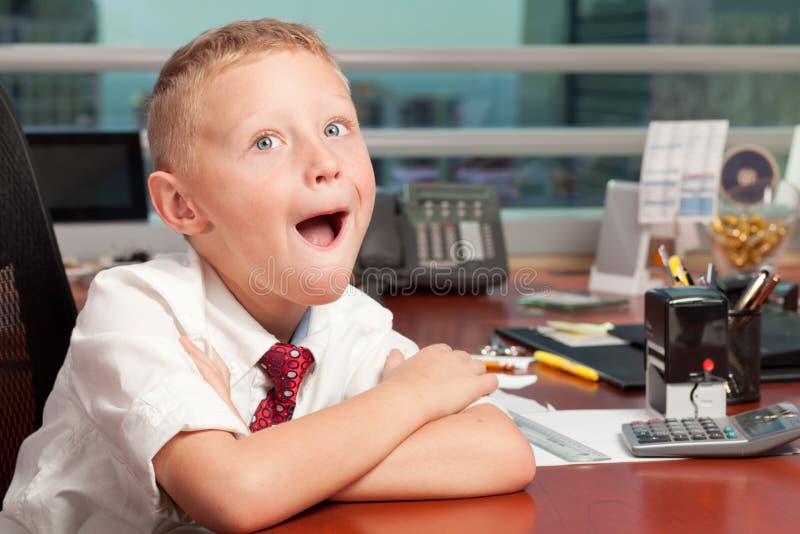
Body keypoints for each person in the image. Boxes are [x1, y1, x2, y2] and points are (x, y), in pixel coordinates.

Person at [1, 18, 535, 533]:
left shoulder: (353, 321)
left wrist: (272, 465)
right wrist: (410, 397)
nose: (325, 161)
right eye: (265, 141)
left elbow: (502, 451)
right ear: (183, 205)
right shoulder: (136, 309)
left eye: (335, 128)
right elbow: (233, 493)